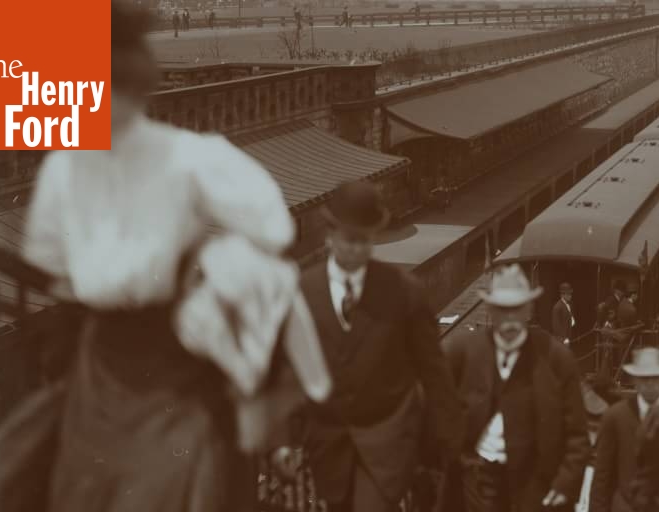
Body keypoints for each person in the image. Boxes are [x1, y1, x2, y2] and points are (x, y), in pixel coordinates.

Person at [23, 3, 331, 511]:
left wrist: (206, 261)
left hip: (170, 356)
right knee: (83, 489)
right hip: (100, 362)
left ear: (133, 87)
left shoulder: (185, 157)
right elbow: (50, 264)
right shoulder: (63, 168)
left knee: (168, 489)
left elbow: (273, 225)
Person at [273, 181, 464, 512]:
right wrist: (281, 440)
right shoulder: (302, 294)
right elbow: (287, 372)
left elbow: (433, 370)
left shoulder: (403, 292)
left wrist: (449, 437)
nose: (357, 249)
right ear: (329, 235)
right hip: (328, 446)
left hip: (387, 442)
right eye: (350, 238)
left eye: (365, 239)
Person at [441, 264, 589, 512]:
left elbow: (577, 435)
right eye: (502, 310)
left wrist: (564, 483)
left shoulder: (555, 358)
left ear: (529, 309)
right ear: (489, 310)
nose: (510, 319)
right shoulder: (462, 351)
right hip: (476, 480)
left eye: (516, 309)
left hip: (533, 484)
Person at [590, 348, 659, 512]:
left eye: (655, 378)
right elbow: (602, 475)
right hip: (626, 506)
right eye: (644, 378)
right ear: (634, 379)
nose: (649, 384)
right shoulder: (616, 416)